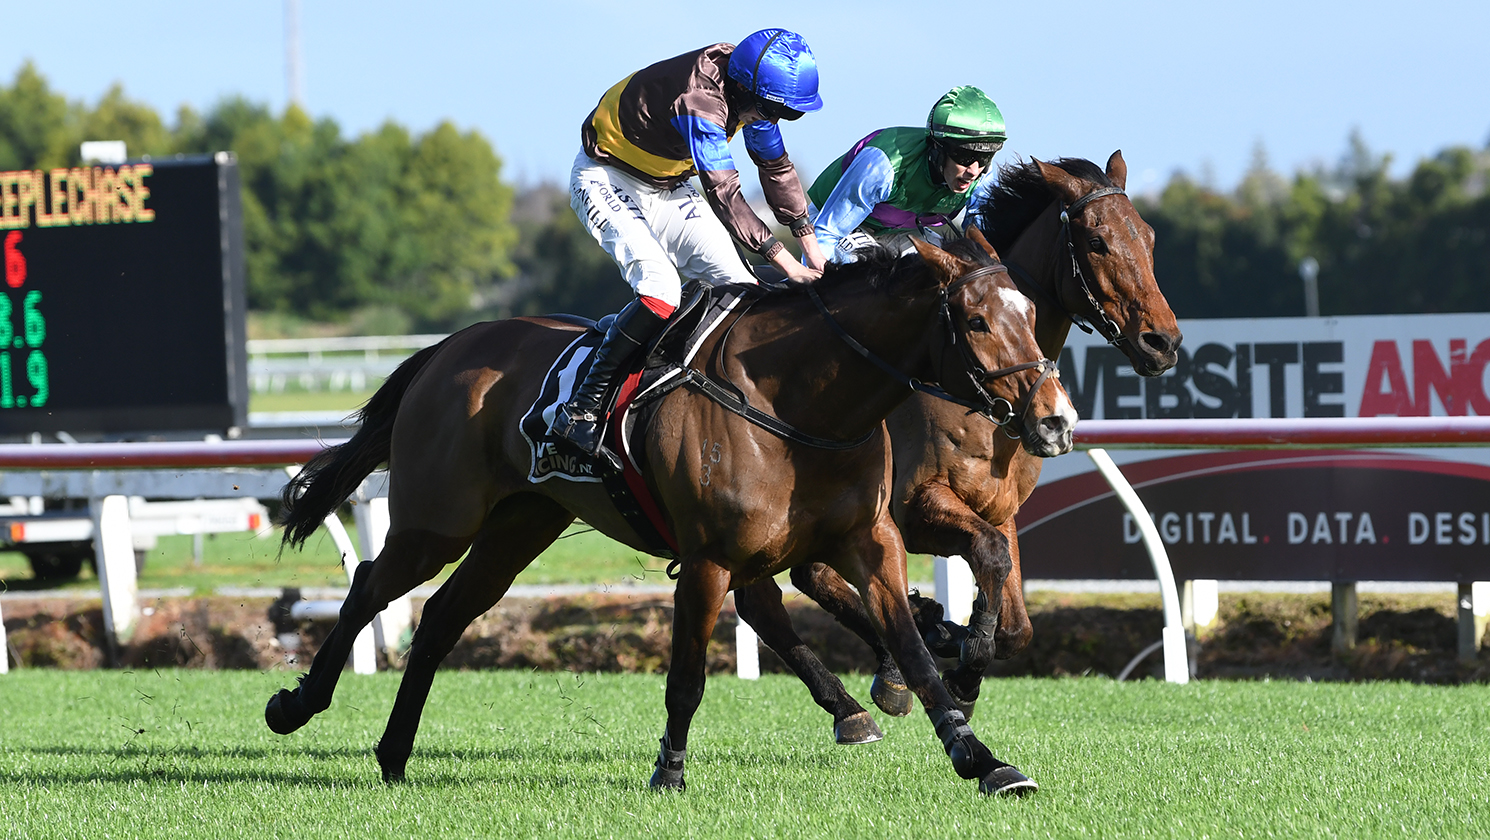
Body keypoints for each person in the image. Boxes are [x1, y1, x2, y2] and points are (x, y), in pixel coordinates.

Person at [551, 28, 828, 467]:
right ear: (745, 88)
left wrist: (809, 242)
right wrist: (785, 261)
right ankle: (581, 407)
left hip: (664, 183)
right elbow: (724, 192)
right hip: (606, 177)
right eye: (774, 109)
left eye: (787, 114)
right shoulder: (701, 100)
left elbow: (775, 166)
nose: (773, 119)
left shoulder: (751, 94)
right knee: (661, 290)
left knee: (742, 289)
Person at [808, 86, 1006, 262]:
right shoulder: (884, 165)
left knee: (953, 268)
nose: (973, 170)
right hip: (838, 225)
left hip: (899, 232)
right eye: (964, 156)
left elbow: (982, 248)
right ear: (937, 148)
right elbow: (827, 233)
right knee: (866, 271)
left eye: (985, 157)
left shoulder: (982, 178)